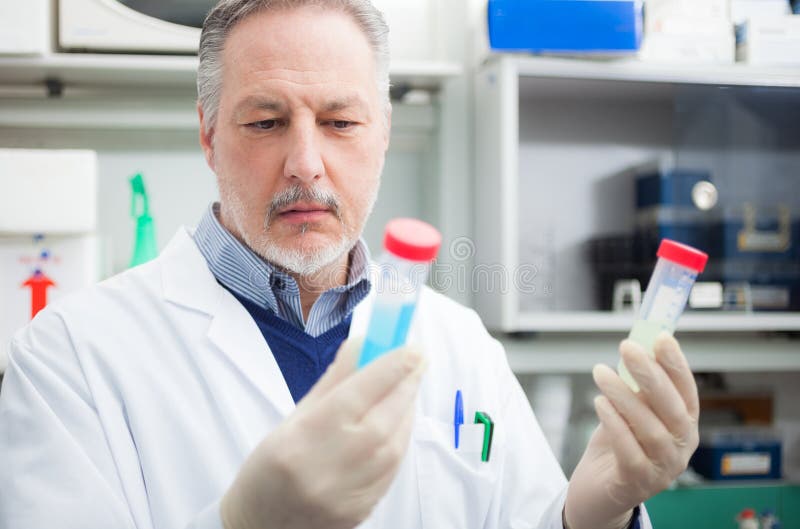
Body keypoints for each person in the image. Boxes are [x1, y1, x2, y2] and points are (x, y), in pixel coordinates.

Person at [0, 1, 700, 528]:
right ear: (210, 135)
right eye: (267, 121)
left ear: (384, 134)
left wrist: (593, 511)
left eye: (340, 122)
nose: (306, 163)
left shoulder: (460, 345)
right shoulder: (70, 360)